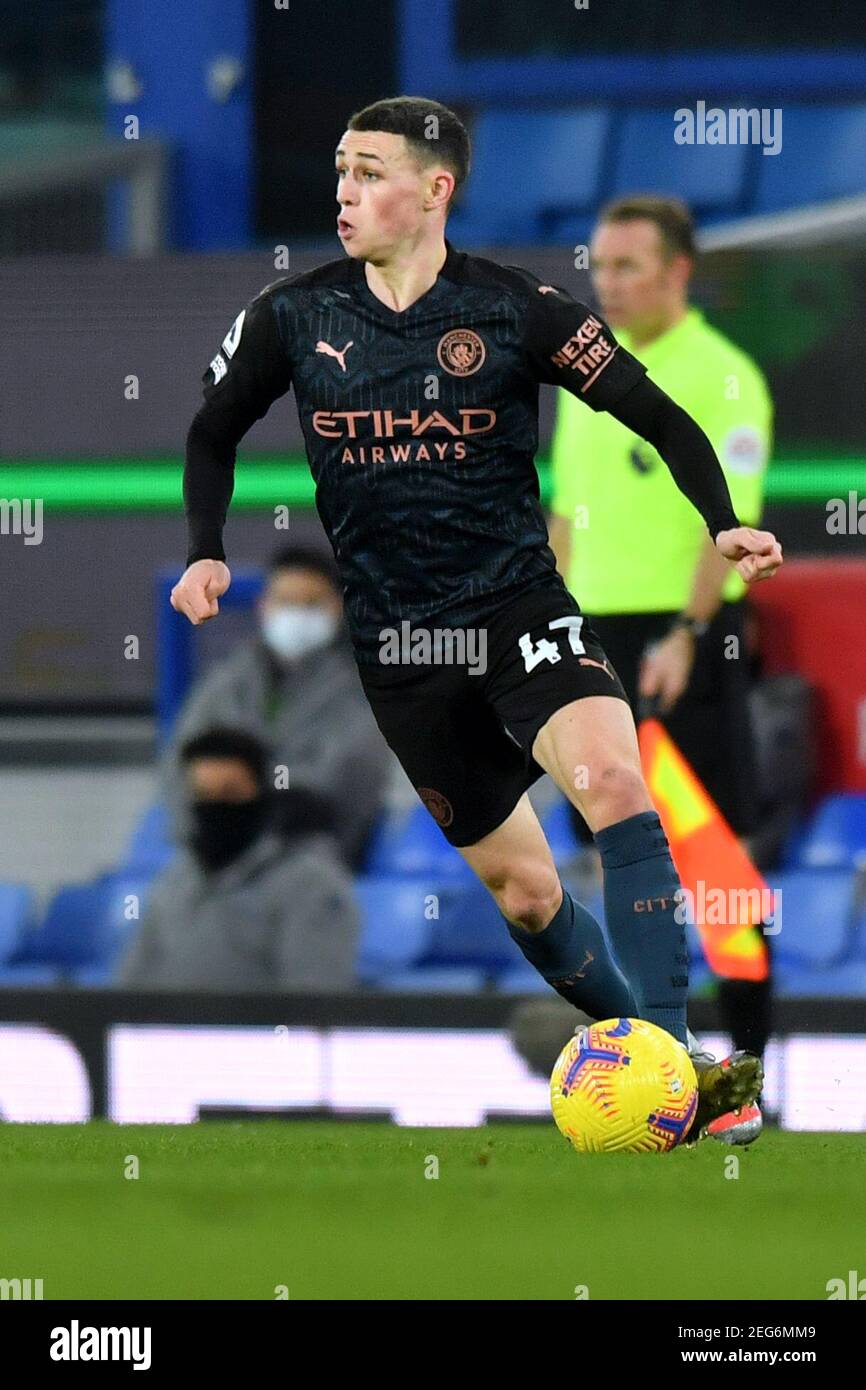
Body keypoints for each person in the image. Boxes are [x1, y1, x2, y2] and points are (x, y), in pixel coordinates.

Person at [169, 96, 782, 1143]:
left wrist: (720, 523)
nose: (344, 192)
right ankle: (668, 1063)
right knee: (528, 892)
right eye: (339, 170)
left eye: (368, 173)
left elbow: (657, 414)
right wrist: (206, 549)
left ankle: (678, 1075)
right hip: (401, 649)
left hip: (517, 608)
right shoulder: (293, 316)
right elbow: (213, 429)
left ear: (433, 190)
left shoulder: (516, 310)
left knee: (612, 780)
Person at [548, 195, 775, 1068]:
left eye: (627, 267)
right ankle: (644, 1064)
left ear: (678, 271)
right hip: (591, 641)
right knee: (612, 860)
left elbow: (732, 529)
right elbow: (565, 515)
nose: (607, 284)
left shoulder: (725, 376)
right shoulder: (583, 377)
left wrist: (686, 632)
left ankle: (750, 1071)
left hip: (684, 645)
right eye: (599, 266)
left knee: (718, 870)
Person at [164, 543, 393, 869]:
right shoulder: (224, 684)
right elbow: (179, 769)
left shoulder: (362, 693)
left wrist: (263, 817)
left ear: (338, 609)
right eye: (286, 602)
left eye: (311, 604)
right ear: (263, 606)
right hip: (213, 858)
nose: (296, 615)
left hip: (315, 860)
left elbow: (347, 784)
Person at [118, 727, 359, 991]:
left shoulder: (312, 886)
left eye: (229, 793)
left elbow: (315, 1001)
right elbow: (131, 991)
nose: (215, 808)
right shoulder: (174, 882)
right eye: (203, 795)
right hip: (167, 1032)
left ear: (261, 795)